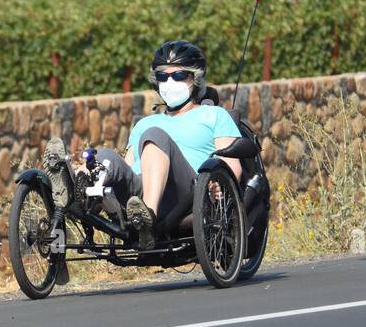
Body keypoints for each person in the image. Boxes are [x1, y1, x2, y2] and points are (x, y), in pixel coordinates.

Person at [76, 40, 242, 250]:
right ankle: (72, 190)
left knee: (155, 137)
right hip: (137, 197)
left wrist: (221, 182)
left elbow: (232, 164)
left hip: (186, 194)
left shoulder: (214, 115)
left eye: (179, 75)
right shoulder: (144, 123)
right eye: (163, 76)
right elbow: (127, 169)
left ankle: (149, 219)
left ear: (195, 78)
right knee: (104, 157)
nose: (169, 82)